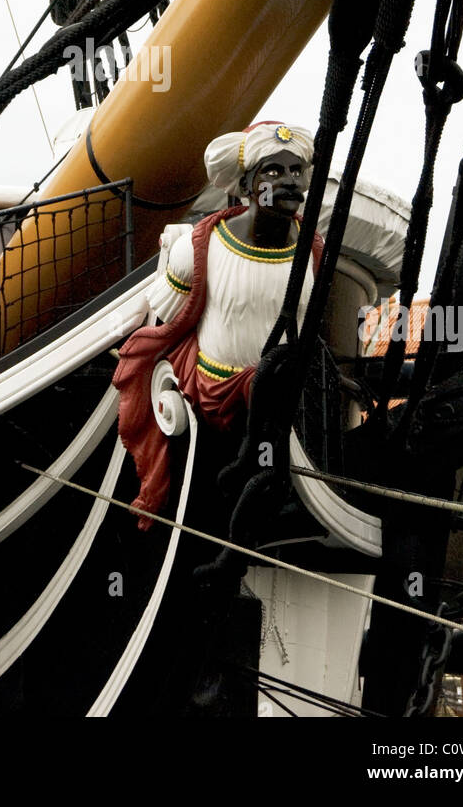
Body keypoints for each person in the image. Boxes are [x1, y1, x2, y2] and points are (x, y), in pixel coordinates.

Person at [113, 120, 322, 527]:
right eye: (274, 171)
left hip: (286, 400)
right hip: (214, 396)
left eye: (296, 171)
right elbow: (170, 319)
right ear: (247, 185)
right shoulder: (199, 249)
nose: (290, 182)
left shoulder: (314, 253)